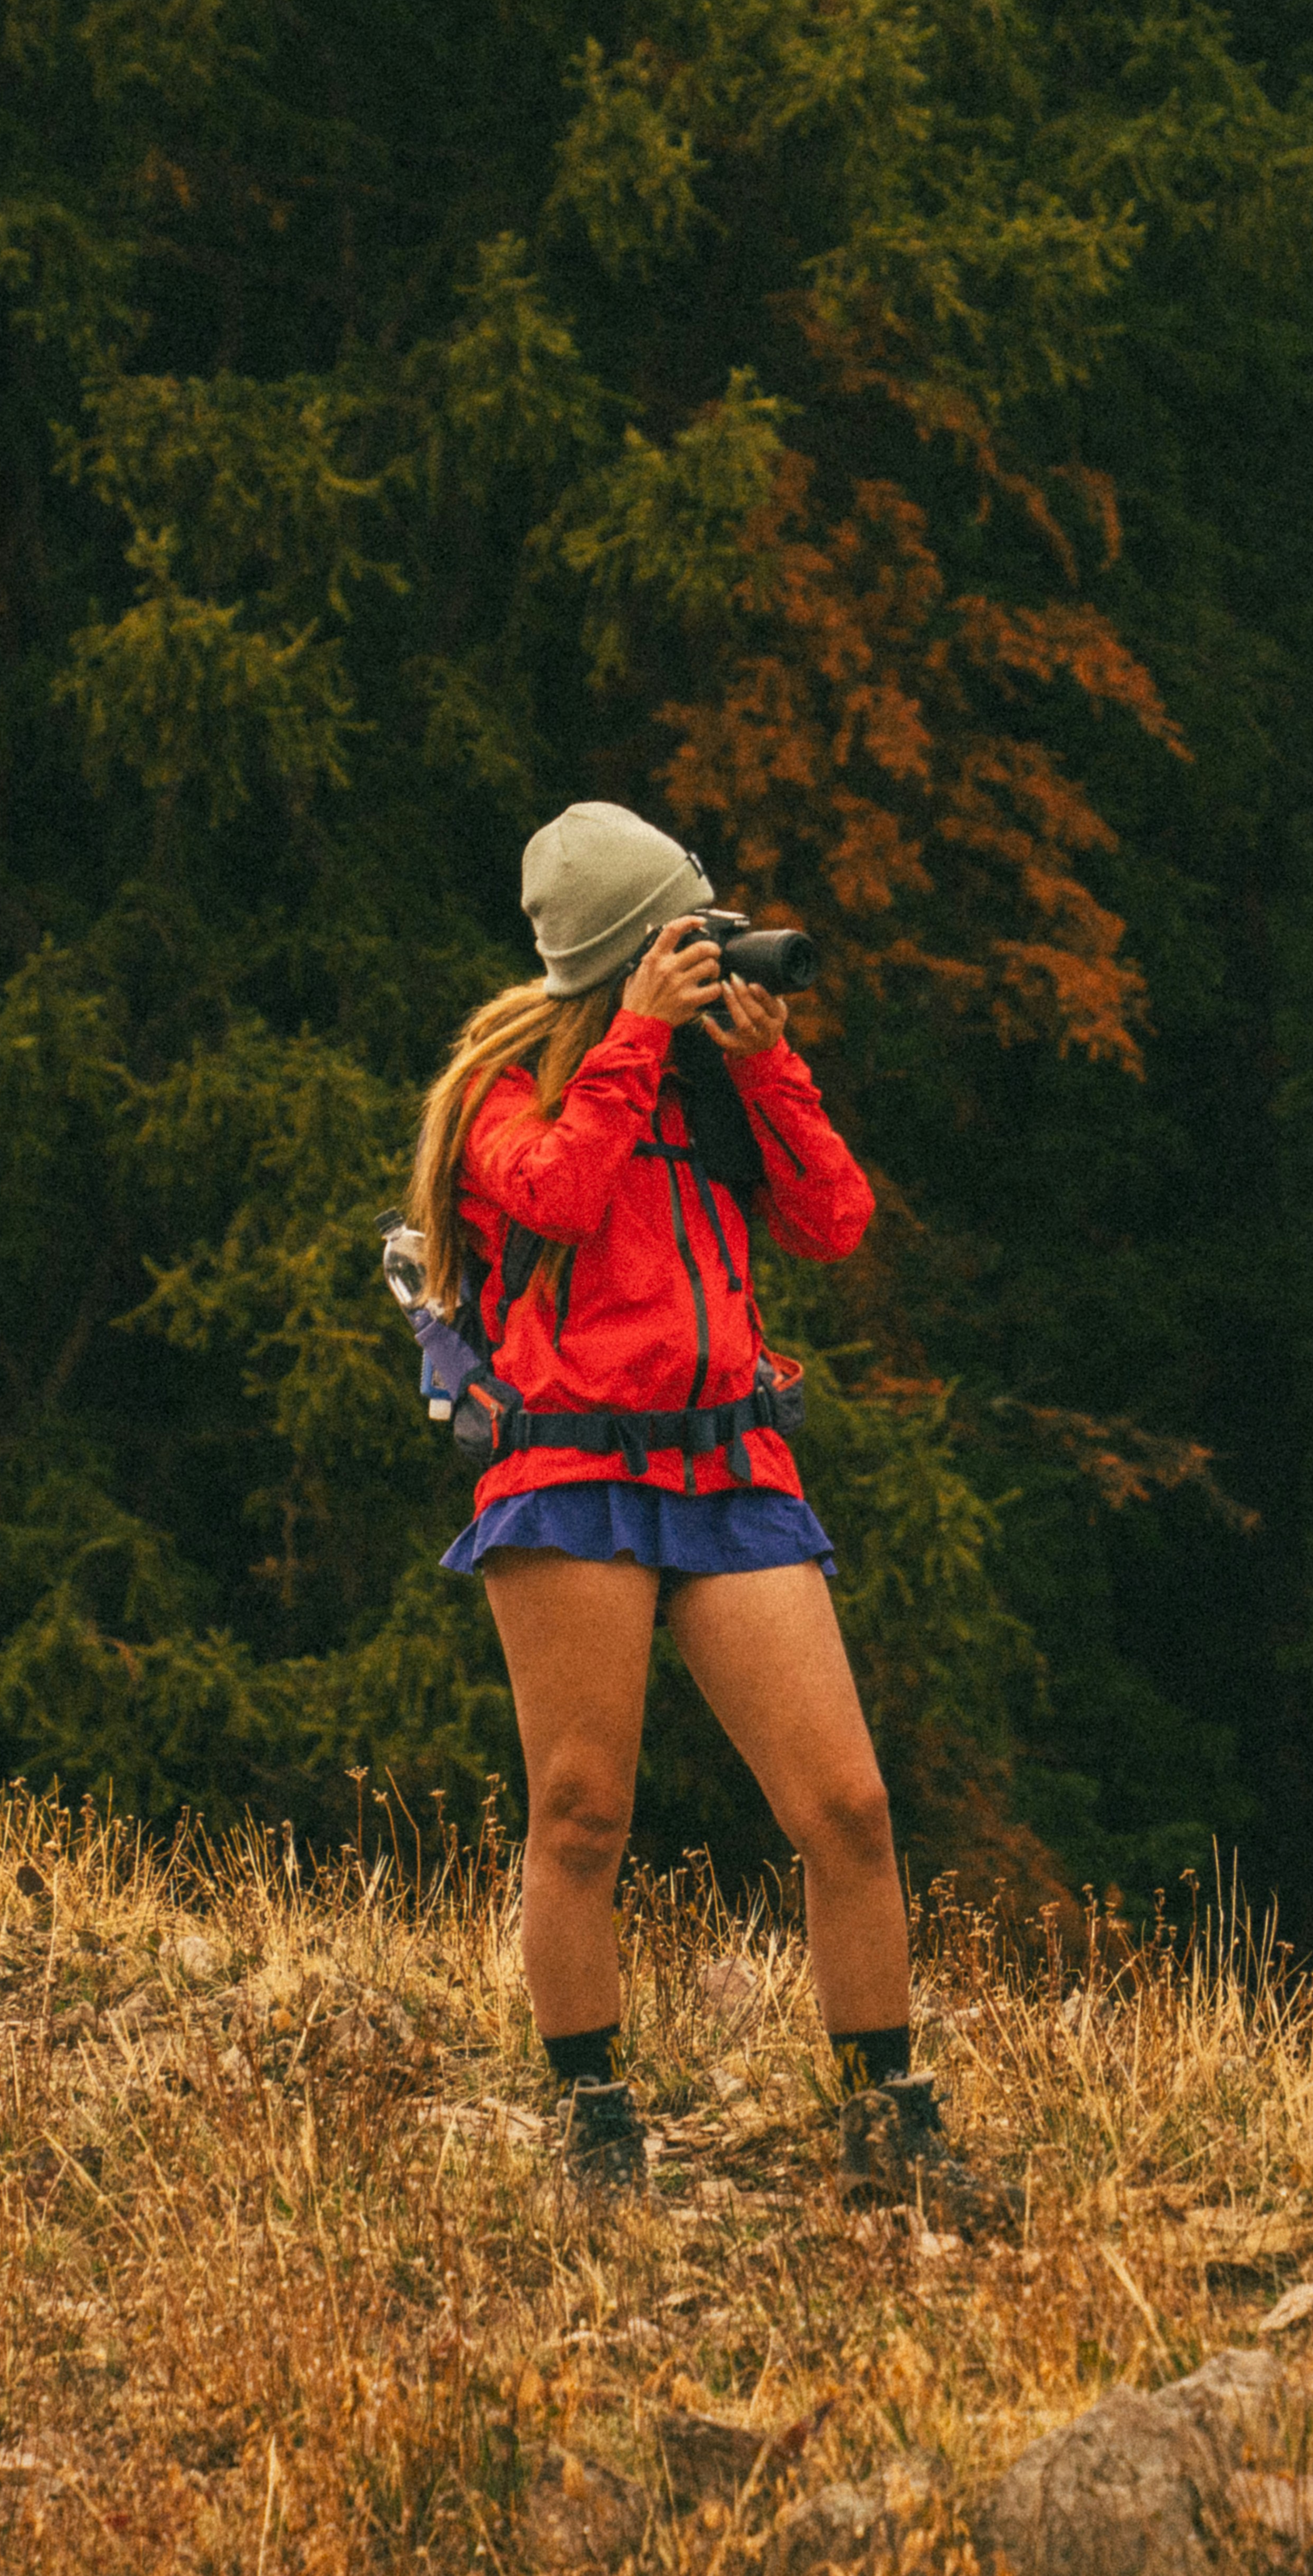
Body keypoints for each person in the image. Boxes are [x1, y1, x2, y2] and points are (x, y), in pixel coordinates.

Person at [404, 802, 1006, 2221]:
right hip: (569, 1471)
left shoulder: (717, 1083)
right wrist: (627, 1046)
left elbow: (837, 1222)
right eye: (691, 933)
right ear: (630, 954)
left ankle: (888, 2122)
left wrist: (773, 1069)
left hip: (730, 1468)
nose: (720, 953)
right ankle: (597, 2123)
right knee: (582, 1811)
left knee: (850, 1809)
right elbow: (552, 1195)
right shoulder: (512, 1092)